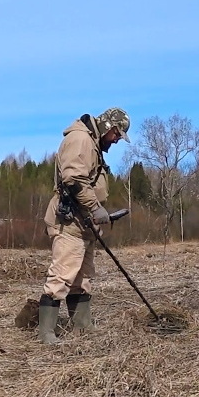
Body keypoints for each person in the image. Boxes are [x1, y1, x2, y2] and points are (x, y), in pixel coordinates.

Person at [35, 107, 130, 345]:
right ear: (109, 127)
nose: (117, 140)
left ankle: (82, 326)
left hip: (84, 224)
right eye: (117, 134)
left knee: (82, 278)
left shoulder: (92, 143)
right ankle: (46, 333)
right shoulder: (81, 139)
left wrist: (95, 214)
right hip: (70, 223)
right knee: (61, 277)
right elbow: (73, 178)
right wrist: (95, 208)